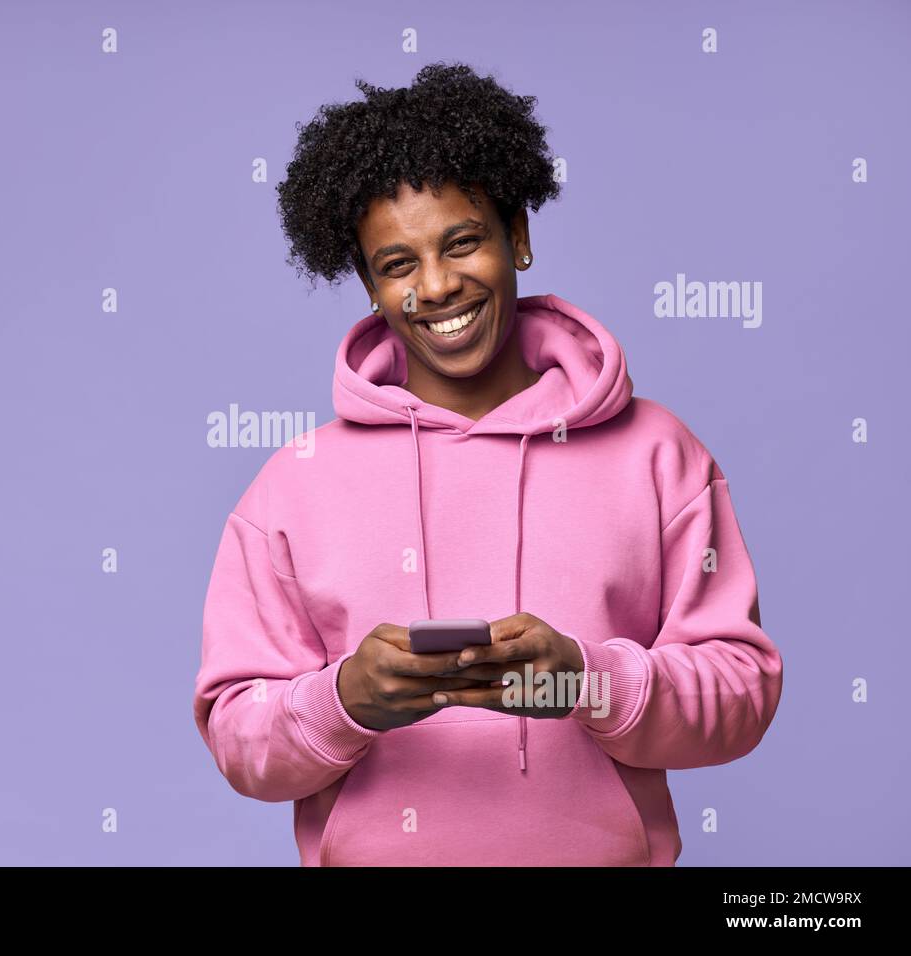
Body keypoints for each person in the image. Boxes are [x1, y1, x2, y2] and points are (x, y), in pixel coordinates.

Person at [192, 62, 783, 866]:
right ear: (368, 285)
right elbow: (237, 735)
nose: (436, 286)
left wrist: (585, 681)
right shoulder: (294, 484)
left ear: (521, 237)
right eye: (398, 264)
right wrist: (345, 701)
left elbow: (743, 693)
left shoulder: (658, 454)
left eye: (462, 242)